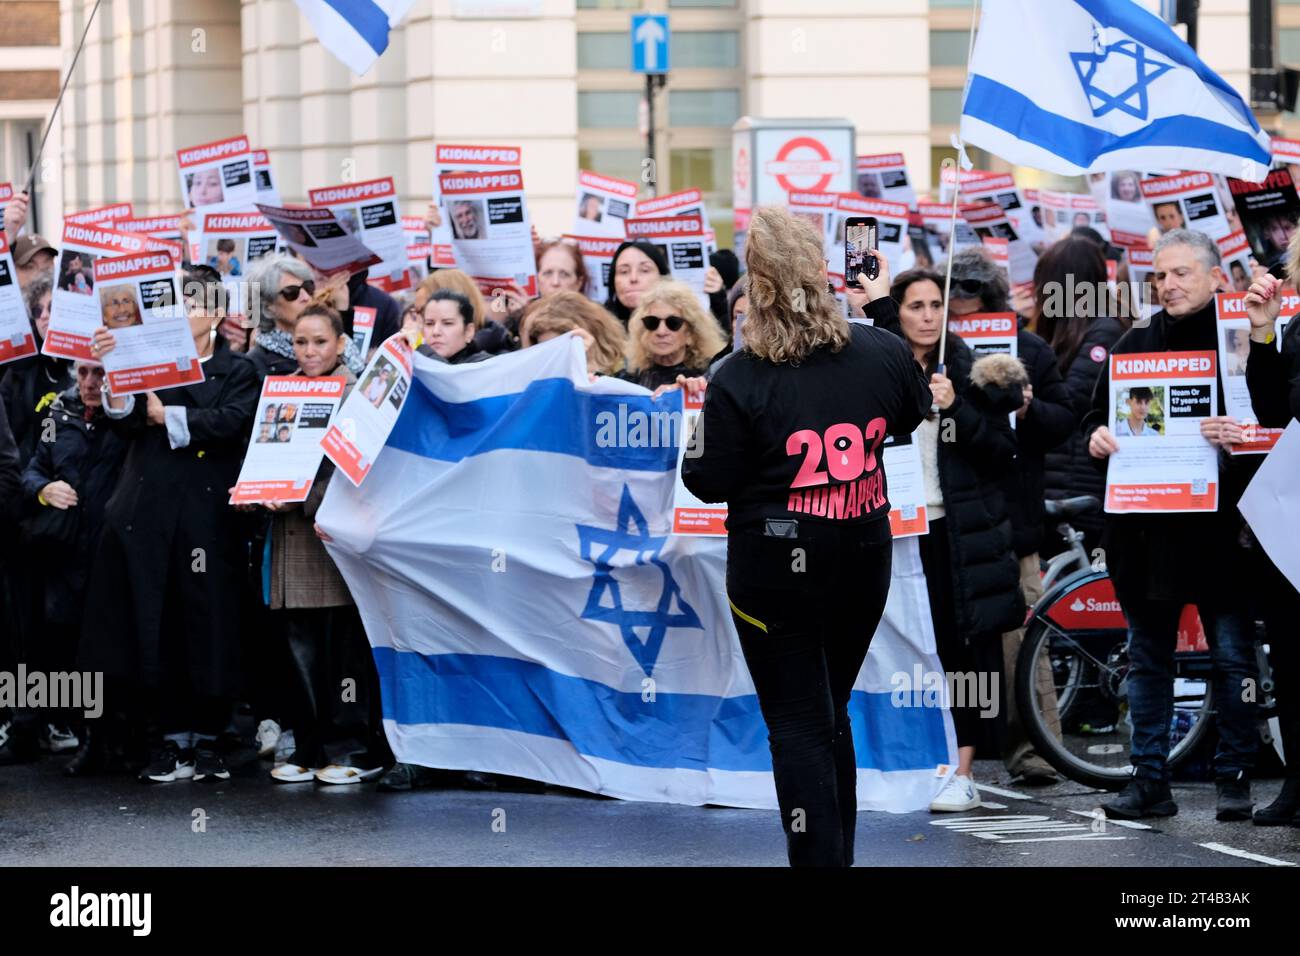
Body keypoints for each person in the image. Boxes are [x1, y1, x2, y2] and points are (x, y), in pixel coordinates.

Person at [681, 206, 930, 867]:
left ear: (753, 285)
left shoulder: (735, 376)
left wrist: (700, 427)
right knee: (826, 713)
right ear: (822, 271)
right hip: (861, 550)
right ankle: (834, 858)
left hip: (776, 564)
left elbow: (706, 479)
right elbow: (912, 412)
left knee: (800, 723)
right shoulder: (881, 350)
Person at [1084, 229, 1259, 821]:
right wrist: (1100, 438)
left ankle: (1234, 777)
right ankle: (1149, 779)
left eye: (1182, 273)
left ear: (1216, 278)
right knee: (1148, 656)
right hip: (1146, 532)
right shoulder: (1134, 344)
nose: (1169, 285)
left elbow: (1273, 424)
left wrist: (1241, 436)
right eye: (1161, 275)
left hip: (1220, 533)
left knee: (1232, 657)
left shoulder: (1241, 343)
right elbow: (1094, 422)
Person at [81, 265, 259, 784]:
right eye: (177, 303)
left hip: (208, 516)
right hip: (151, 513)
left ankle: (209, 738)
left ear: (218, 312)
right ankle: (168, 737)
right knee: (158, 622)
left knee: (210, 622)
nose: (184, 313)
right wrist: (115, 372)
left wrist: (170, 418)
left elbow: (232, 421)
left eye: (196, 304)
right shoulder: (151, 363)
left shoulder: (238, 368)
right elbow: (124, 418)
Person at [872, 267, 1028, 812]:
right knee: (908, 646)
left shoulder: (970, 370)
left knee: (963, 650)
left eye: (936, 304)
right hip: (893, 526)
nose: (928, 315)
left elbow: (1003, 451)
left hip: (955, 532)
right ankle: (909, 758)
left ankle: (962, 769)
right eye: (914, 305)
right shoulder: (879, 367)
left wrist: (955, 407)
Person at [941, 247, 1076, 786]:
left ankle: (1035, 750)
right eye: (953, 313)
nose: (959, 321)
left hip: (1012, 522)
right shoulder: (932, 355)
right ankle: (960, 749)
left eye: (970, 313)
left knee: (1021, 641)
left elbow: (1066, 421)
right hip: (951, 522)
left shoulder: (1030, 348)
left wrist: (1027, 408)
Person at [257, 304, 391, 784]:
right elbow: (265, 455)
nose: (309, 351)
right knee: (299, 651)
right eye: (300, 342)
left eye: (319, 342)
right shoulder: (280, 391)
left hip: (329, 542)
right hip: (288, 543)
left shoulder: (358, 395)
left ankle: (353, 750)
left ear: (339, 344)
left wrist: (298, 498)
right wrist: (255, 493)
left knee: (342, 653)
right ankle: (309, 746)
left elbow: (355, 470)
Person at [19, 360, 129, 773]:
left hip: (110, 546)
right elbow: (32, 468)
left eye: (99, 373)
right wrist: (44, 489)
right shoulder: (58, 413)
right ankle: (89, 735)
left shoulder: (124, 418)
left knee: (110, 643)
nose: (89, 383)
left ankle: (118, 735)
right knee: (66, 640)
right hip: (66, 550)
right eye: (82, 373)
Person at [1240, 248, 1300, 826]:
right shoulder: (1299, 325)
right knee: (1289, 647)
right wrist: (1263, 334)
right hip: (1294, 510)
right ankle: (1296, 784)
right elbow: (1273, 411)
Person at [1037, 238, 1128, 555]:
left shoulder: (1104, 331)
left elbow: (1075, 401)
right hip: (1061, 480)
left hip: (1080, 484)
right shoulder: (1066, 333)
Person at [246, 255, 364, 378]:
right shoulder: (255, 365)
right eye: (291, 292)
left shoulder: (341, 344)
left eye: (308, 287)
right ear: (269, 306)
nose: (306, 297)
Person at [620, 280, 726, 392]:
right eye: (652, 322)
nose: (661, 332)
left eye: (673, 323)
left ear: (690, 333)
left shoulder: (712, 378)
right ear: (643, 331)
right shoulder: (627, 381)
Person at [517, 291, 628, 377]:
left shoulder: (628, 373)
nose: (555, 358)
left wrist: (590, 371)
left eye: (561, 348)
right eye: (547, 350)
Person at [605, 240, 668, 326]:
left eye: (644, 270)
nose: (633, 278)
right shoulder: (600, 330)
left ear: (662, 277)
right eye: (624, 271)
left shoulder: (681, 327)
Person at [419, 289, 489, 364]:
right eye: (429, 324)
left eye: (447, 323)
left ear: (468, 331)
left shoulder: (487, 367)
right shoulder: (413, 365)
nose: (435, 332)